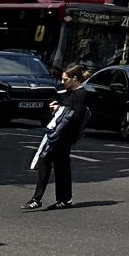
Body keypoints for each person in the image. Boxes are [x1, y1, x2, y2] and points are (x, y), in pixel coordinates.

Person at [27, 64, 91, 211]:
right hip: (59, 134)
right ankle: (64, 199)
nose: (63, 82)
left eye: (65, 79)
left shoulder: (82, 94)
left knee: (46, 161)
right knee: (61, 167)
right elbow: (63, 113)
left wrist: (59, 110)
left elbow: (76, 116)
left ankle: (37, 199)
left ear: (75, 79)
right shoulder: (67, 92)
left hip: (64, 136)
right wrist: (56, 108)